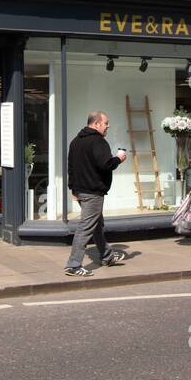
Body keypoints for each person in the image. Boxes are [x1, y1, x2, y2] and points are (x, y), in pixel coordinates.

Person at [64, 110, 128, 276]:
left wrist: (73, 189)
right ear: (96, 123)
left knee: (96, 225)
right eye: (106, 123)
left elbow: (71, 168)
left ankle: (107, 256)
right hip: (93, 193)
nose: (108, 126)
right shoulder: (98, 142)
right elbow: (106, 164)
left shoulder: (75, 141)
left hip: (82, 191)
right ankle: (74, 265)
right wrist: (119, 158)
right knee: (86, 227)